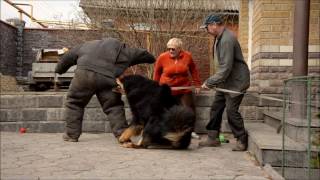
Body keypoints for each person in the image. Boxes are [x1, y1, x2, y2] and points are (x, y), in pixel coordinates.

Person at [55, 38, 155, 143]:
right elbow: (144, 55)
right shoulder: (122, 50)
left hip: (84, 77)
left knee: (74, 103)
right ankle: (122, 135)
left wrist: (59, 70)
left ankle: (71, 135)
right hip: (107, 79)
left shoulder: (85, 45)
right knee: (114, 107)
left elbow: (67, 58)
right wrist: (149, 59)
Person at [199, 14, 250, 151]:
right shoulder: (219, 38)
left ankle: (241, 140)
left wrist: (210, 82)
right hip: (225, 82)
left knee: (231, 111)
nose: (206, 30)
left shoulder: (227, 39)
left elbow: (226, 67)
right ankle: (212, 137)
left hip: (236, 82)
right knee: (216, 108)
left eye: (207, 27)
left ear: (214, 24)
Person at [153, 38, 201, 138]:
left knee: (188, 109)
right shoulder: (162, 57)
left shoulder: (187, 56)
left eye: (173, 49)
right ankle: (164, 130)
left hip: (184, 88)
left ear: (179, 49)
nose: (170, 51)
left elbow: (194, 70)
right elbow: (157, 73)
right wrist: (155, 87)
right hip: (167, 89)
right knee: (165, 110)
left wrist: (197, 84)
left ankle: (190, 131)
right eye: (169, 48)